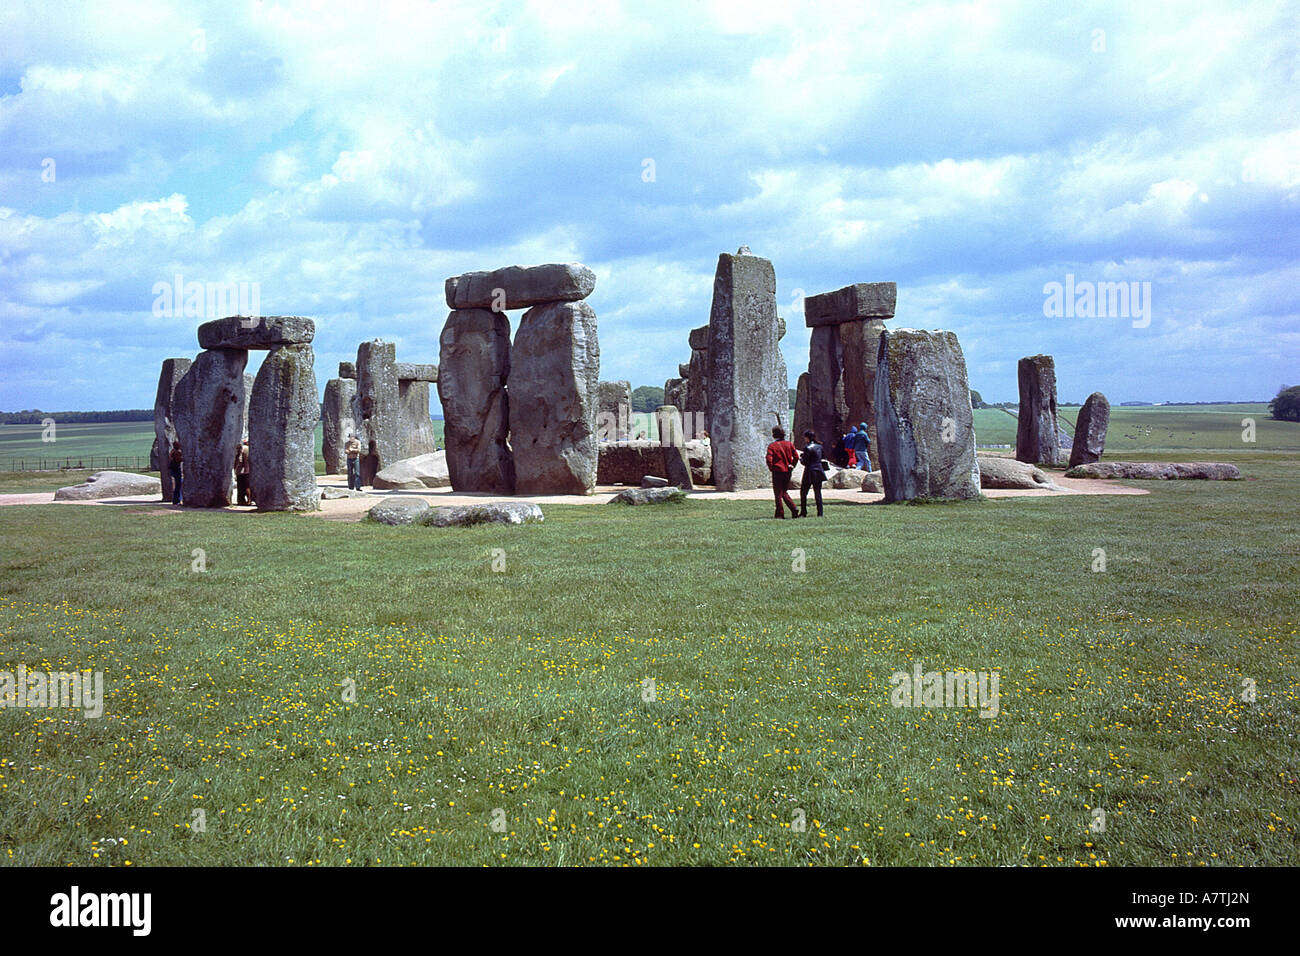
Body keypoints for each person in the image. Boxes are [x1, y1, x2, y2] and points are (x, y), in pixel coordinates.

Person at [765, 425, 799, 519]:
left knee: (778, 493)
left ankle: (780, 513)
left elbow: (769, 459)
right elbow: (796, 456)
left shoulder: (772, 446)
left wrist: (771, 468)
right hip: (788, 470)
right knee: (784, 491)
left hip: (777, 470)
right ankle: (793, 508)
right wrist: (792, 465)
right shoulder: (789, 444)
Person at [798, 430, 827, 517]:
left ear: (807, 437)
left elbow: (805, 462)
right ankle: (820, 512)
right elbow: (822, 457)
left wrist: (801, 459)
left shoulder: (807, 448)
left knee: (803, 492)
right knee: (818, 492)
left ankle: (804, 511)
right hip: (819, 470)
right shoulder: (820, 446)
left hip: (810, 471)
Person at [234, 439, 251, 505]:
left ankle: (241, 500)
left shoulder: (243, 448)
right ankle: (248, 500)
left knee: (241, 486)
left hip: (242, 471)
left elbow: (239, 459)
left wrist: (235, 467)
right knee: (247, 486)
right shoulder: (250, 449)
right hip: (248, 470)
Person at [168, 440, 184, 505]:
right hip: (176, 469)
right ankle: (177, 500)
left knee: (178, 485)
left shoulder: (172, 451)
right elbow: (178, 460)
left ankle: (177, 499)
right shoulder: (177, 452)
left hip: (173, 470)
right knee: (179, 485)